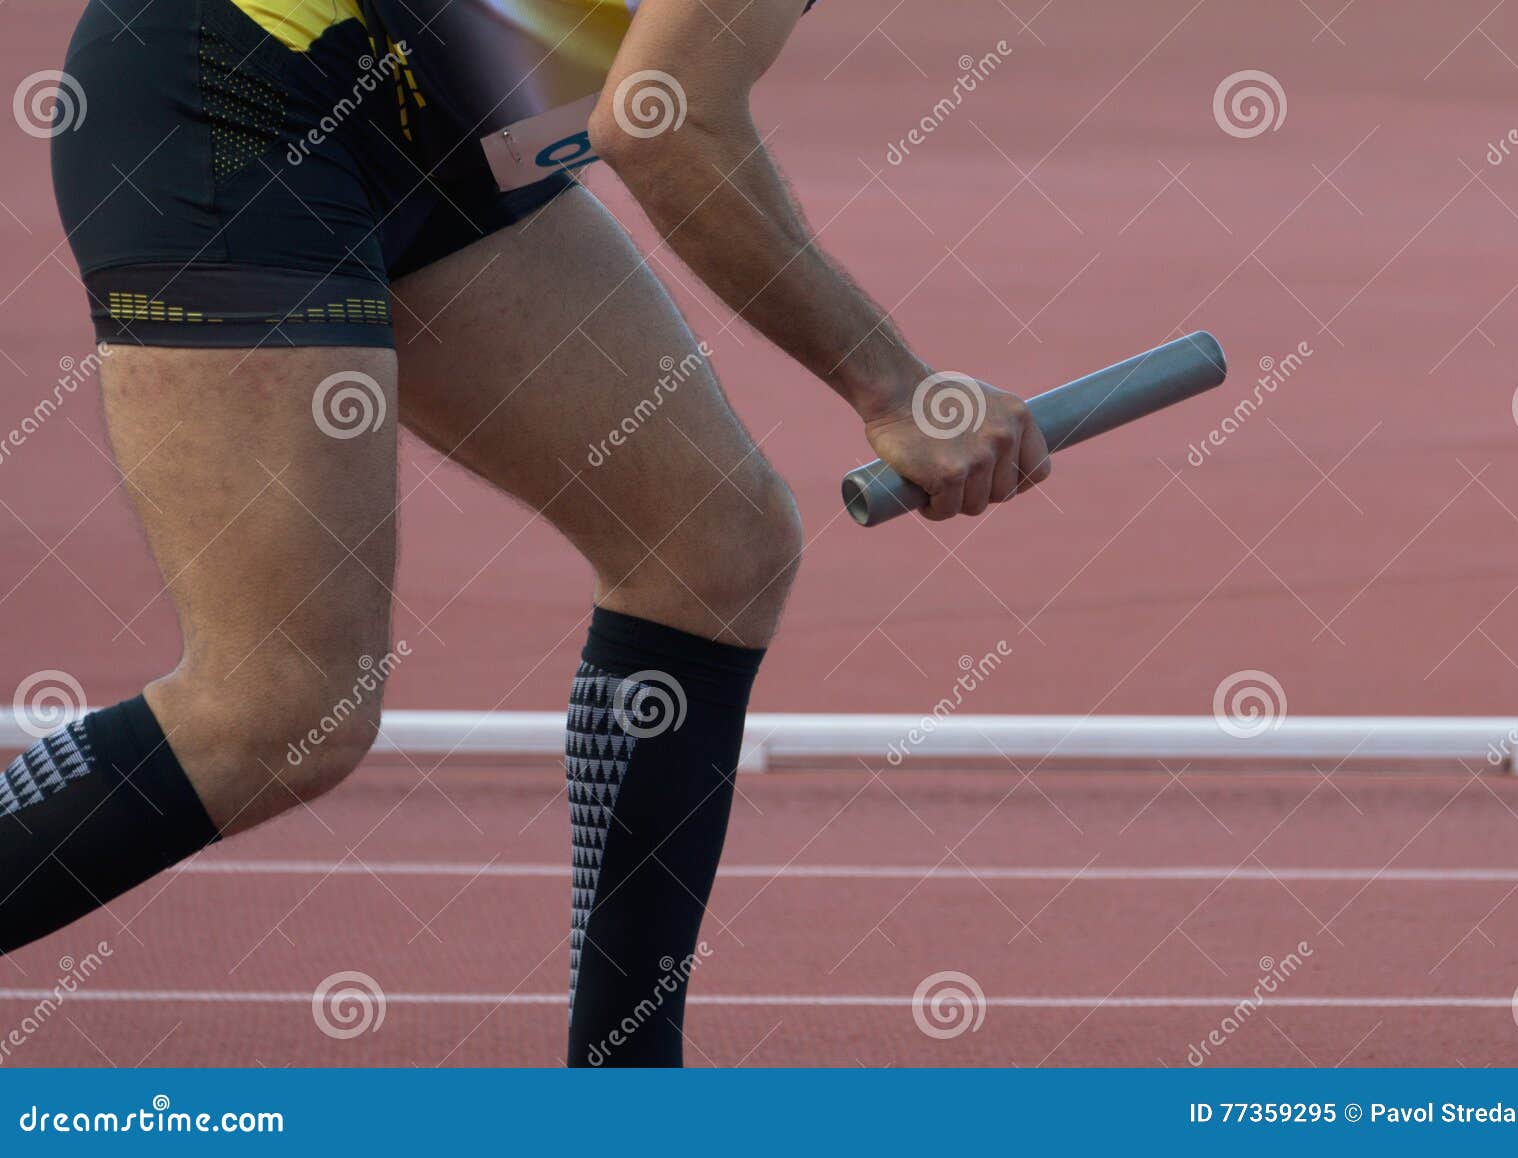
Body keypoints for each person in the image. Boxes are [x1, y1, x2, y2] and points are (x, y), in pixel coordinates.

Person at [5, 0, 1049, 1065]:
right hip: (236, 92)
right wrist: (894, 385)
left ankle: (622, 1095)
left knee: (710, 544)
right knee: (276, 710)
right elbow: (660, 120)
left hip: (447, 112)